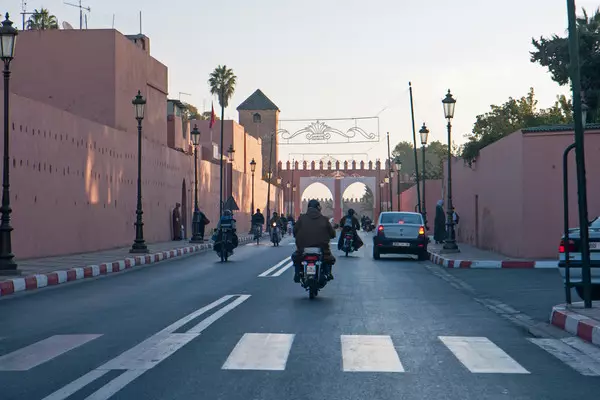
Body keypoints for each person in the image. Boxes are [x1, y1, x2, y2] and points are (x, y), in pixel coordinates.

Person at [292, 199, 337, 282]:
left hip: (303, 249)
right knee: (329, 258)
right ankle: (328, 273)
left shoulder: (301, 218)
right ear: (318, 208)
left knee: (296, 257)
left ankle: (297, 273)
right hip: (322, 248)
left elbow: (294, 231)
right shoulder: (324, 219)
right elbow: (332, 234)